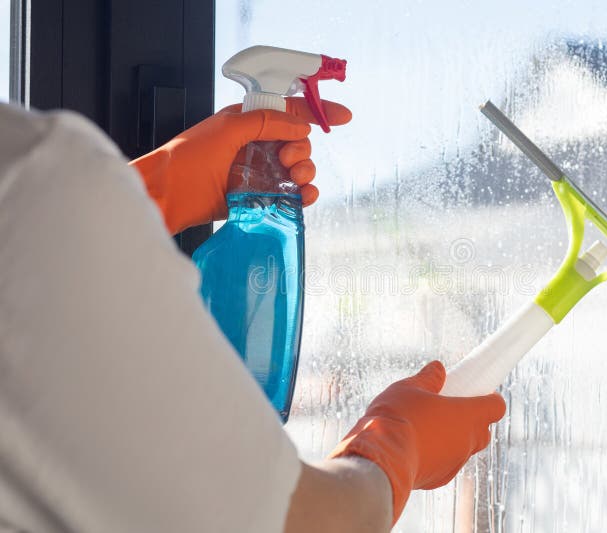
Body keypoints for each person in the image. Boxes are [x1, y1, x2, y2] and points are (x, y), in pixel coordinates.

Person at [0, 98, 506, 533]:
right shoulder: (35, 171)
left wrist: (145, 191)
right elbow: (303, 523)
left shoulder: (33, 177)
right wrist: (399, 446)